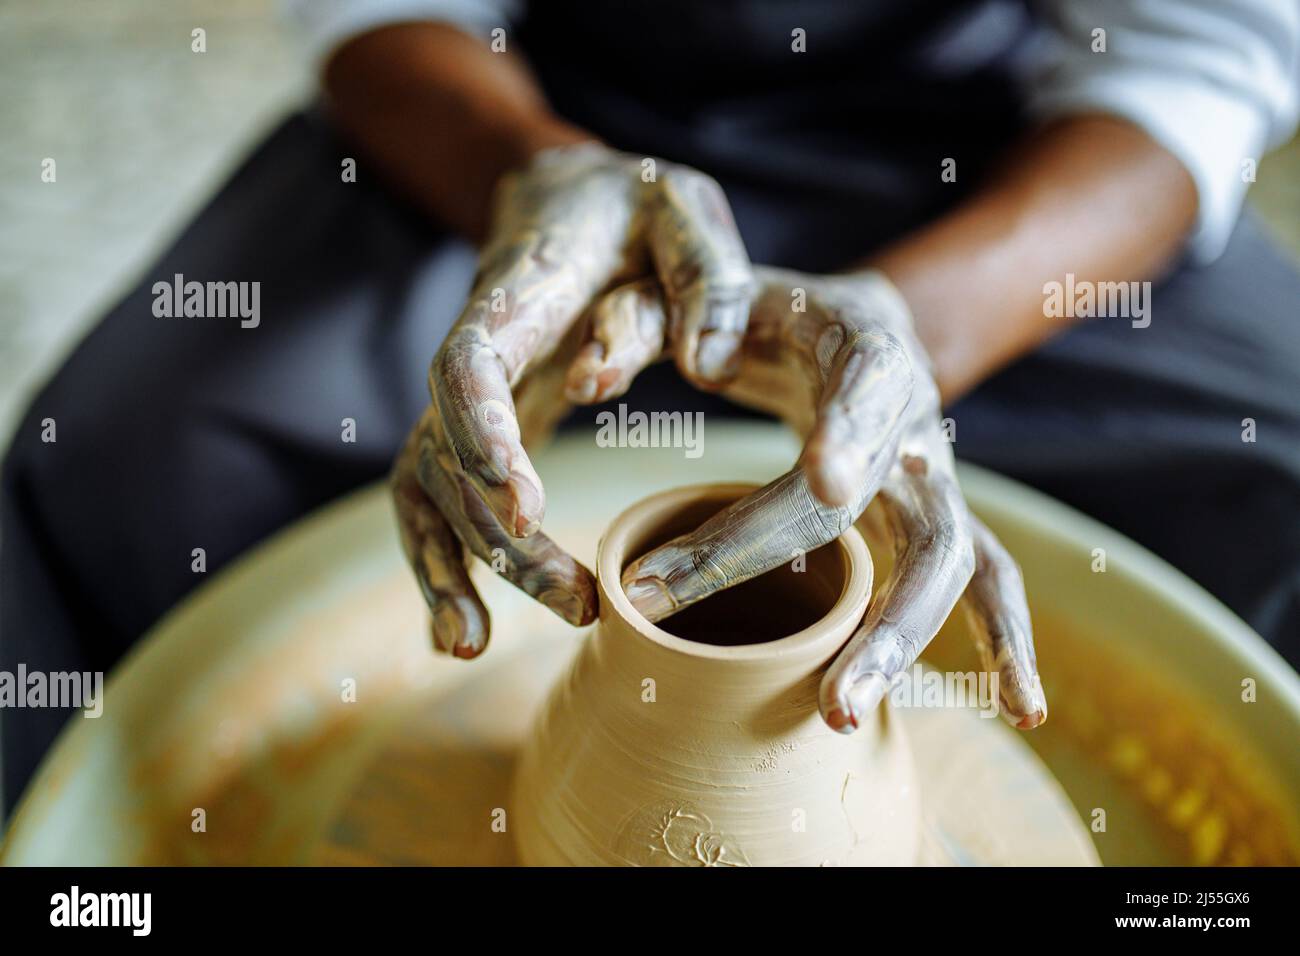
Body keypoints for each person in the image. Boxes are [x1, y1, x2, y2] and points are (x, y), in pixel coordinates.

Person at [3, 0, 1298, 811]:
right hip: (531, 117)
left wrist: (912, 332)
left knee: (1280, 486)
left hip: (988, 147)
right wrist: (539, 175)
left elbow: (1197, 52)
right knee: (126, 468)